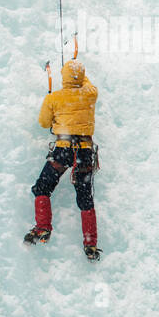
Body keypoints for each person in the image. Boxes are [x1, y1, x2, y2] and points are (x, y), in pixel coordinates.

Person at [24, 59, 101, 260]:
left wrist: (53, 105)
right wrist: (80, 77)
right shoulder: (91, 94)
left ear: (63, 77)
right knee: (85, 199)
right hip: (84, 152)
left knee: (43, 187)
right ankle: (90, 245)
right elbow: (87, 84)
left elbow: (43, 123)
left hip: (63, 150)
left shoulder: (54, 99)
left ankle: (42, 228)